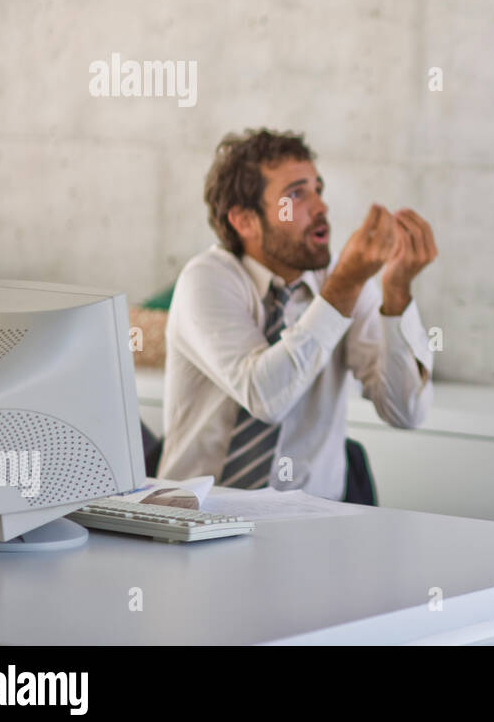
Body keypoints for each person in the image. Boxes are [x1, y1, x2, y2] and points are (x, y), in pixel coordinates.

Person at [157, 127, 438, 504]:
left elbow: (407, 412)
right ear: (244, 221)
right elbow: (265, 398)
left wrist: (398, 293)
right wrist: (344, 288)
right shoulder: (207, 279)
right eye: (296, 195)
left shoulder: (346, 281)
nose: (320, 207)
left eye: (318, 190)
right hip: (195, 517)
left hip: (312, 529)